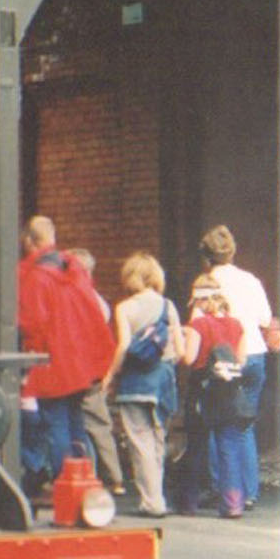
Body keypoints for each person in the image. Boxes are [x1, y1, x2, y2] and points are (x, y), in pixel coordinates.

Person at [17, 216, 116, 492]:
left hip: (52, 362)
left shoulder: (35, 276)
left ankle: (68, 488)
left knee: (56, 425)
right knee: (76, 424)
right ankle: (86, 485)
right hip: (80, 362)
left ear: (29, 240)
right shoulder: (75, 270)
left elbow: (32, 324)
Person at [100, 253, 181, 517]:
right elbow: (178, 351)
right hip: (163, 380)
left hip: (136, 382)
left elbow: (123, 345)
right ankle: (156, 496)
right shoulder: (169, 306)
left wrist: (111, 375)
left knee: (140, 442)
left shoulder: (124, 307)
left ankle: (152, 502)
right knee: (158, 441)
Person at [198, 225, 273, 510]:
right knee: (244, 423)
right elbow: (265, 319)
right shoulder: (250, 279)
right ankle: (249, 491)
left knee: (220, 423)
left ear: (206, 256)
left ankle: (224, 489)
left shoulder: (206, 282)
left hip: (223, 357)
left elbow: (198, 319)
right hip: (254, 354)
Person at [181, 275, 254, 517]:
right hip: (229, 393)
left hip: (202, 393)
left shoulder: (198, 326)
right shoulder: (237, 325)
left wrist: (181, 340)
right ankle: (233, 503)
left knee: (196, 446)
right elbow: (242, 360)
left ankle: (188, 503)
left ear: (201, 302)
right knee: (229, 447)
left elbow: (189, 359)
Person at [68, 248, 129, 496]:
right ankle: (115, 478)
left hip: (78, 370)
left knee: (83, 425)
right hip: (93, 370)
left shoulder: (75, 298)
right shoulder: (99, 301)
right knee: (99, 426)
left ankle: (100, 476)